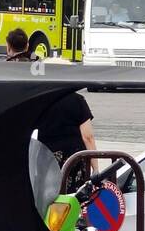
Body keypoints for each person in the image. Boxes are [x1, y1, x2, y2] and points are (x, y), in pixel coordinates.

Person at [6, 29, 97, 192]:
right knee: (74, 200)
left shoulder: (41, 100)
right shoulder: (77, 100)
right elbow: (88, 136)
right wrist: (96, 169)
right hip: (74, 161)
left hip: (46, 158)